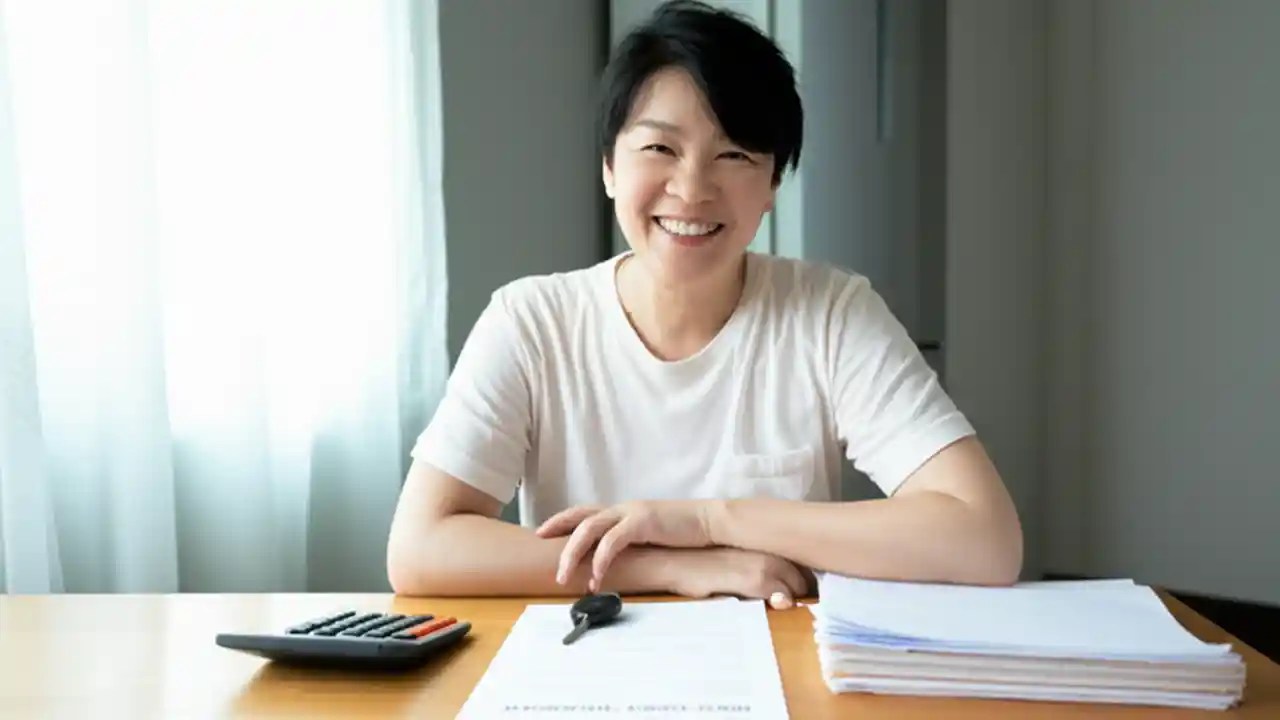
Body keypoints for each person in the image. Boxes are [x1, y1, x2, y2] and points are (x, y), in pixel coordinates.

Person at [386, 0, 1022, 608]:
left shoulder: (831, 312)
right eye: (660, 148)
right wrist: (668, 566)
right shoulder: (532, 324)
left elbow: (985, 540)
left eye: (734, 155)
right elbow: (419, 548)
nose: (691, 190)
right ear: (609, 166)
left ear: (773, 185)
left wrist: (709, 520)